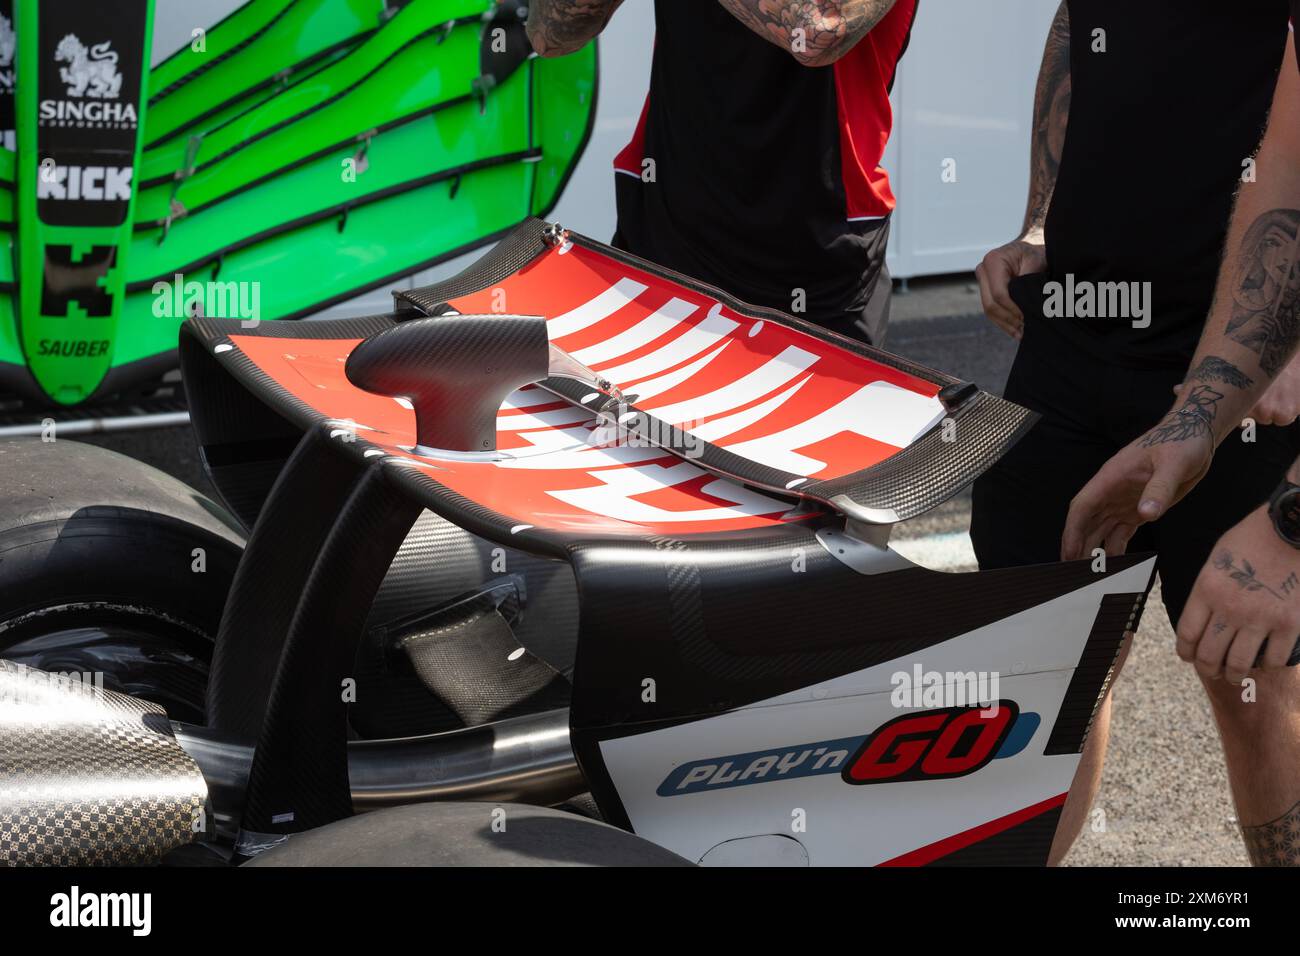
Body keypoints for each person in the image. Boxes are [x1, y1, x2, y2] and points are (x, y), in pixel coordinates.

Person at [971, 0, 1300, 865]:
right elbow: (1081, 26)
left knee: (1250, 668)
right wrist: (1040, 219)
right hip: (1078, 325)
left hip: (1237, 344)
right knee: (1044, 648)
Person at [525, 0, 918, 346]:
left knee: (808, 431)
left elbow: (818, 29)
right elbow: (553, 35)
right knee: (637, 430)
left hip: (816, 262)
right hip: (665, 233)